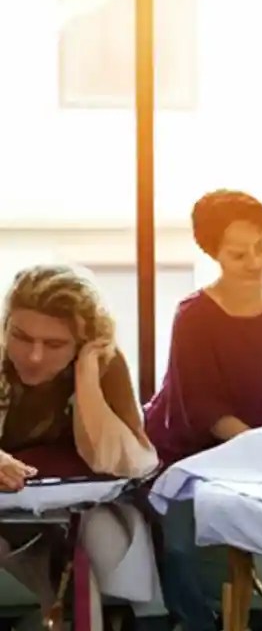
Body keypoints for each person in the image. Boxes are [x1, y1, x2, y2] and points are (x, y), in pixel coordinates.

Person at [144, 189, 262, 631]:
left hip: (254, 442)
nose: (255, 261)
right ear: (213, 253)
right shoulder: (193, 316)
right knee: (181, 550)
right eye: (238, 253)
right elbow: (204, 408)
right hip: (186, 449)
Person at [1, 264, 161, 631]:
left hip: (80, 508)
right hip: (12, 512)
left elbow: (122, 461)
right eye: (21, 337)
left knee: (103, 538)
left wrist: (87, 376)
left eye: (54, 344)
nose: (34, 356)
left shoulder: (102, 361)